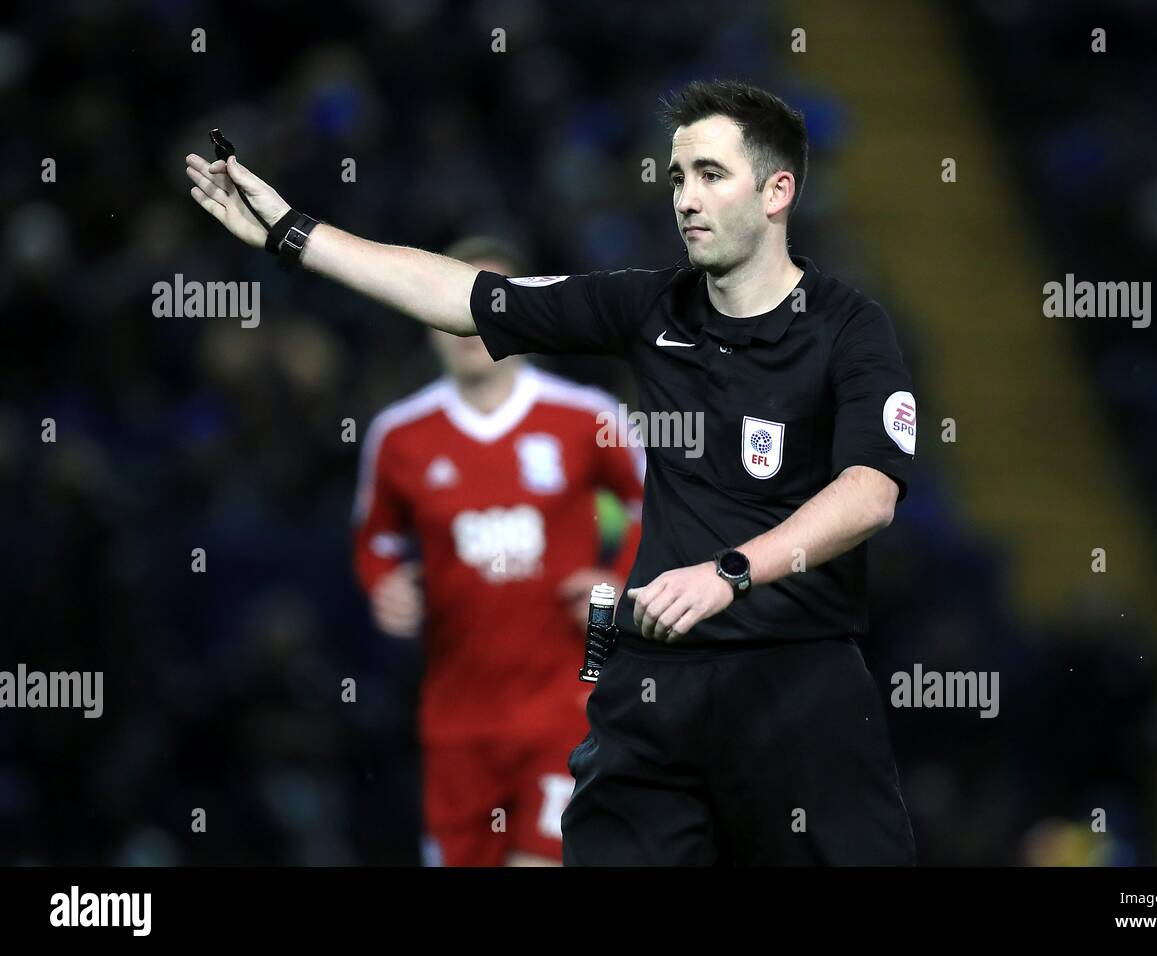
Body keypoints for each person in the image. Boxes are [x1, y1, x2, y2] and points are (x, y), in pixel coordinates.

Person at [186, 78, 918, 865]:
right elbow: (468, 297)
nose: (685, 198)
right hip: (653, 681)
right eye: (676, 177)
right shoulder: (648, 308)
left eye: (711, 174)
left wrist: (732, 571)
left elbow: (870, 494)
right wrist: (295, 233)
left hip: (797, 678)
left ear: (778, 191)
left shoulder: (850, 329)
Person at [352, 235, 644, 866]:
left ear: (527, 318)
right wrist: (384, 585)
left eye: (492, 303)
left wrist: (619, 583)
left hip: (565, 703)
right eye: (454, 301)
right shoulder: (399, 436)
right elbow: (374, 539)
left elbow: (656, 504)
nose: (469, 320)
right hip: (455, 716)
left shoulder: (585, 417)